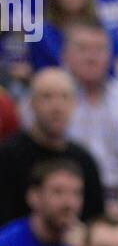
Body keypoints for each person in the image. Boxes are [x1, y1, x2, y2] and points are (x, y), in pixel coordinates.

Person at [0, 68, 104, 226]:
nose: (57, 107)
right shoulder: (8, 157)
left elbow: (96, 223)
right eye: (47, 97)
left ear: (75, 105)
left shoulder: (85, 161)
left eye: (64, 97)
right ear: (31, 104)